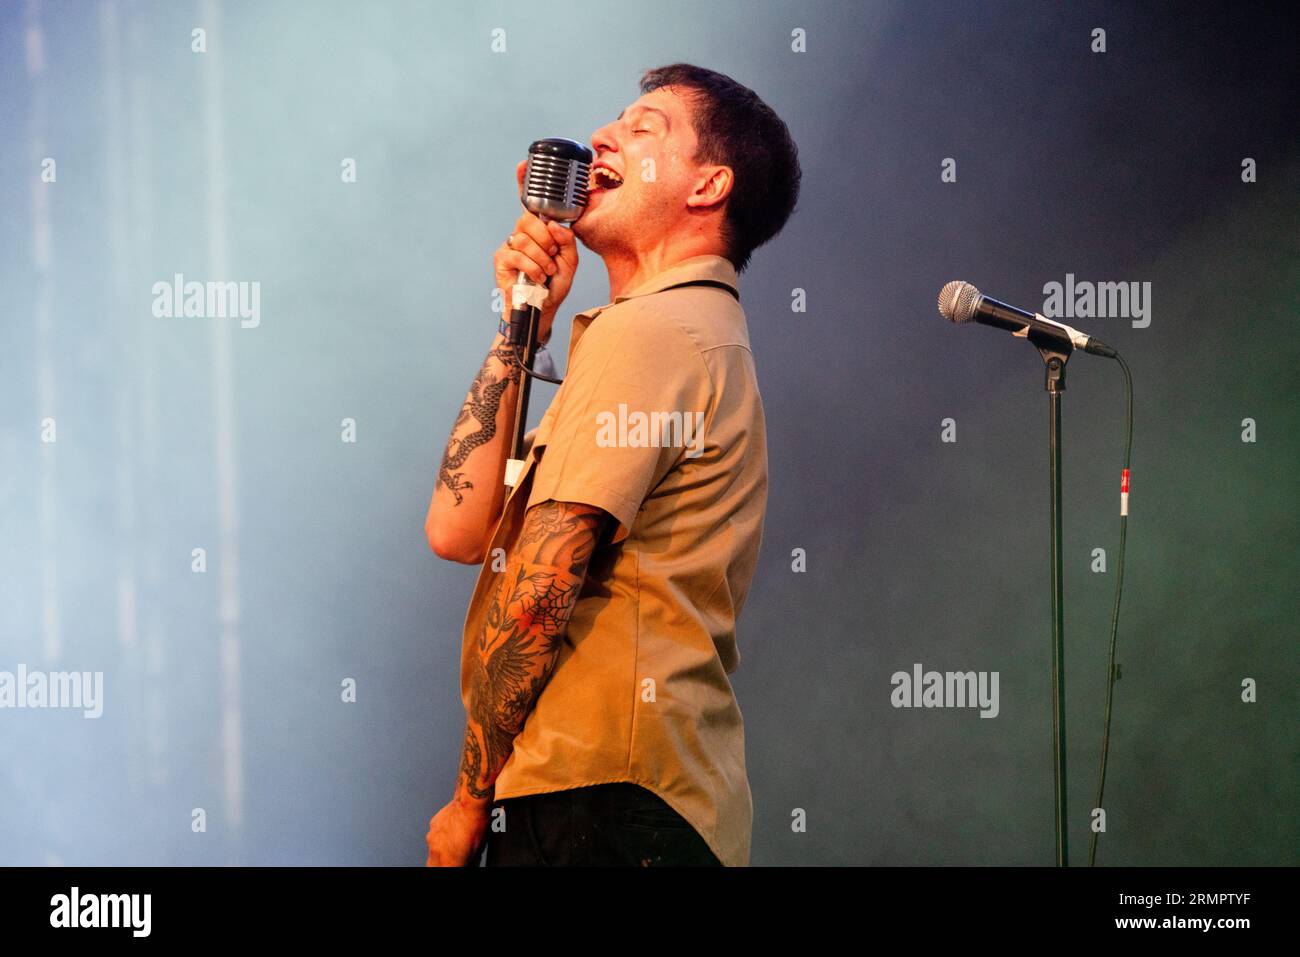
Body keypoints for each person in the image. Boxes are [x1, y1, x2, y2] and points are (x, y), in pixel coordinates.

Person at [423, 63, 800, 867]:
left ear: (708, 186)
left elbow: (538, 591)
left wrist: (468, 800)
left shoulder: (653, 334)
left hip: (601, 802)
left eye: (645, 127)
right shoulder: (661, 331)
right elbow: (458, 530)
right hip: (630, 801)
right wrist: (525, 319)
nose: (602, 136)